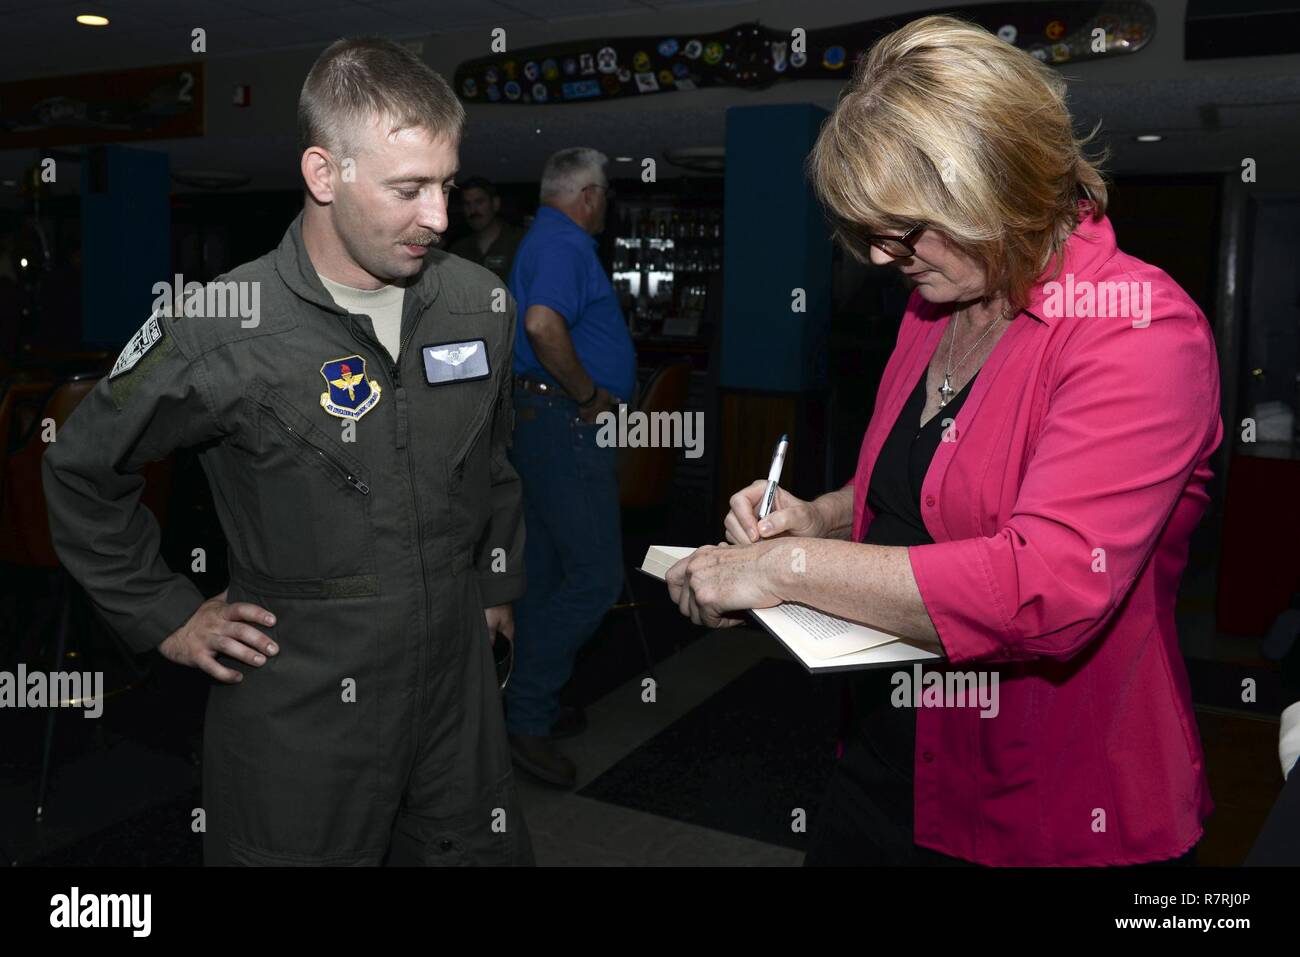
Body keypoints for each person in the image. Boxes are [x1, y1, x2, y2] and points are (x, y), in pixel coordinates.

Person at [667, 15, 1222, 866]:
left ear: (999, 182)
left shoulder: (1136, 326)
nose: (885, 257)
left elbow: (1051, 586)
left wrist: (782, 568)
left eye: (906, 228)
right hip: (893, 757)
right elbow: (912, 487)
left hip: (1055, 803)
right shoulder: (935, 308)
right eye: (870, 233)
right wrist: (818, 517)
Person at [42, 37, 533, 866]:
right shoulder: (223, 323)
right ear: (323, 174)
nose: (440, 217)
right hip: (303, 694)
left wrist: (492, 584)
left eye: (446, 185)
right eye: (408, 189)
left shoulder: (477, 302)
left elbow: (493, 456)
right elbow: (81, 468)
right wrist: (166, 614)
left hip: (457, 685)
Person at [505, 147, 635, 787]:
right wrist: (587, 395)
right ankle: (525, 716)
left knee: (545, 573)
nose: (605, 205)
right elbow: (540, 322)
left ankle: (531, 707)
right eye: (605, 194)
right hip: (564, 424)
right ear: (587, 194)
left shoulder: (542, 239)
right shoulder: (564, 243)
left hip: (540, 424)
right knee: (594, 578)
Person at [449, 177, 524, 281]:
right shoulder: (459, 250)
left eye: (479, 202)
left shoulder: (519, 242)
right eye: (467, 204)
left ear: (495, 204)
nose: (473, 210)